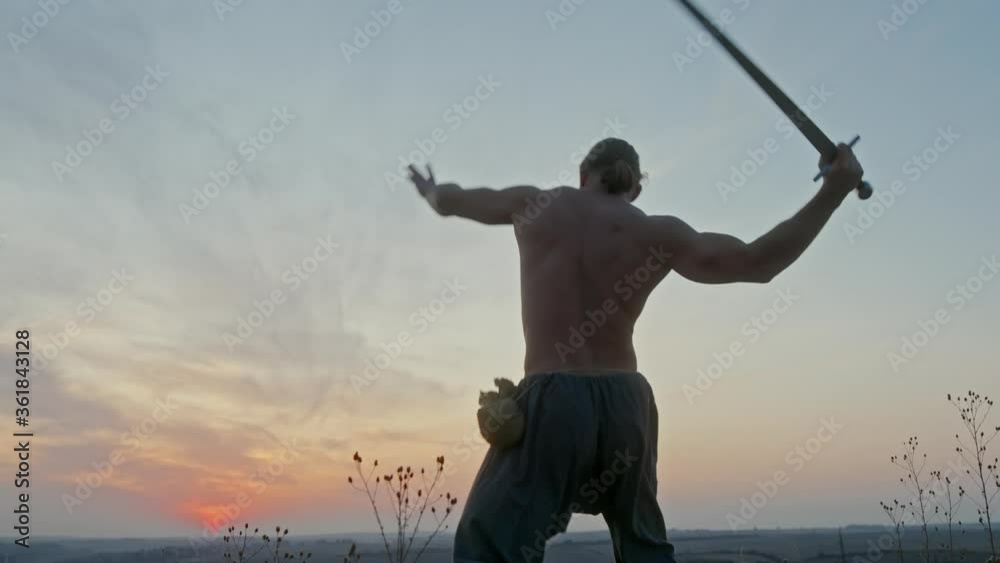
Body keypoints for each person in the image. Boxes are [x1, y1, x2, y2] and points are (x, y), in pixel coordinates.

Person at [406, 138, 864, 563]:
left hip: (554, 400)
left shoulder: (537, 204)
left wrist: (430, 190)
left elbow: (453, 201)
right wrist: (835, 189)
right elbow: (758, 262)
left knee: (489, 541)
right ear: (635, 186)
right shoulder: (657, 233)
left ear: (584, 171)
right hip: (628, 407)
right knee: (643, 547)